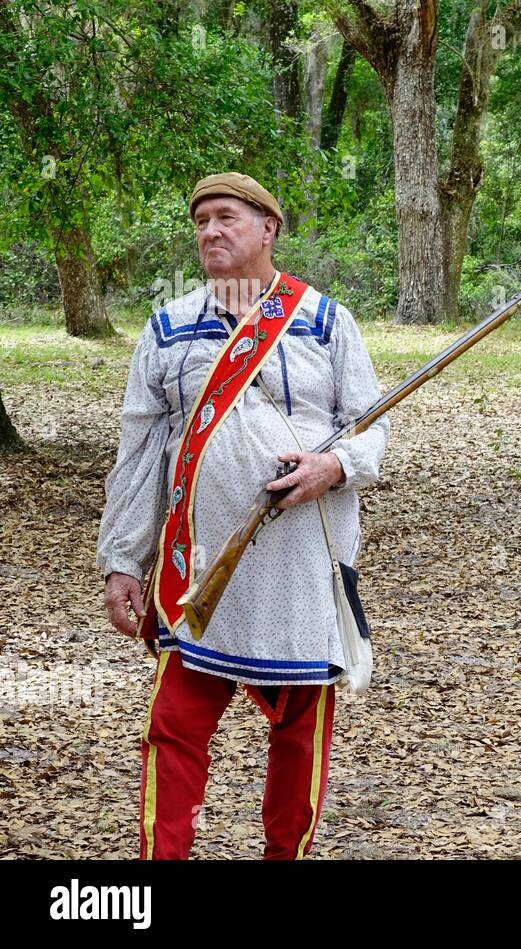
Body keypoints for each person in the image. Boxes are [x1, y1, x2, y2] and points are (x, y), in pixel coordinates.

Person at [96, 172, 389, 859]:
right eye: (200, 221)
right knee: (172, 728)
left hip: (300, 566)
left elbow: (371, 429)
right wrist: (121, 560)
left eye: (226, 217)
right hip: (201, 575)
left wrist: (334, 466)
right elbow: (140, 454)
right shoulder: (168, 328)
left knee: (299, 733)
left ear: (268, 228)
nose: (210, 232)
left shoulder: (324, 321)